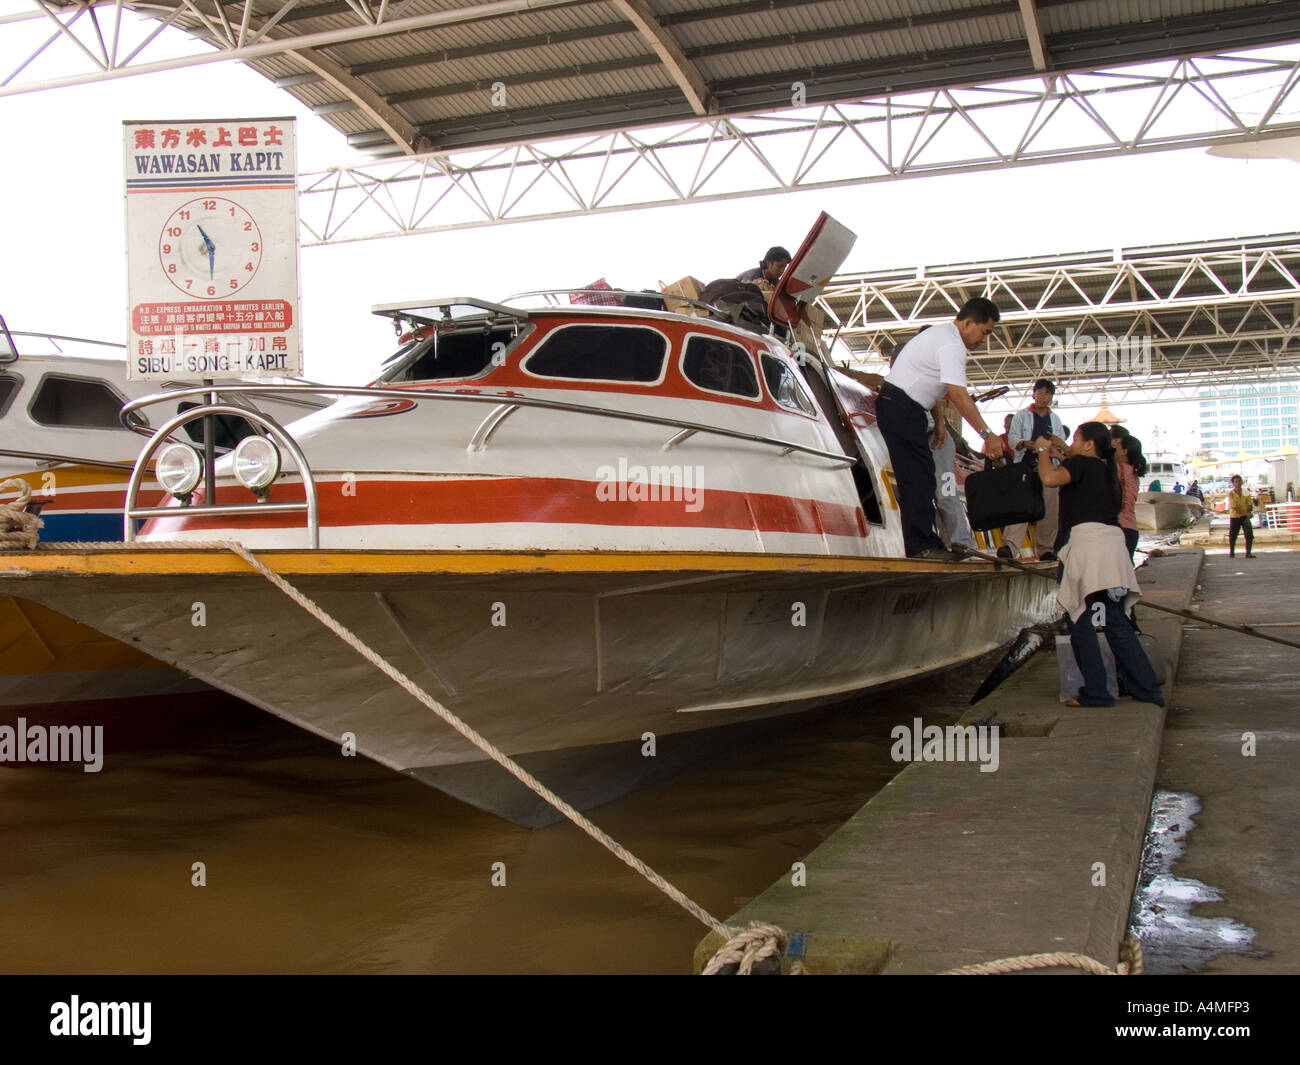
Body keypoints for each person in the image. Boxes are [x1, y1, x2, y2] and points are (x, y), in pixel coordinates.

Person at [1033, 422, 1163, 708]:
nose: (1073, 443)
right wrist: (1060, 450)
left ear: (1089, 444)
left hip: (1086, 547)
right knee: (1115, 620)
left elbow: (1050, 479)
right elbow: (1072, 467)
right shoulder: (1108, 470)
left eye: (1077, 438)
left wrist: (1042, 452)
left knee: (1080, 620)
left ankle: (1096, 692)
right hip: (1112, 547)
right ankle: (1147, 689)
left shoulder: (1081, 463)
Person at [875, 298, 1005, 559]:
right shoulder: (952, 345)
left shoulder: (942, 335)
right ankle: (920, 546)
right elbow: (958, 395)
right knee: (919, 479)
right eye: (985, 332)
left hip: (904, 407)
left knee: (920, 477)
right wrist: (986, 434)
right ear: (968, 323)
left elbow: (931, 384)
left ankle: (924, 542)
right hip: (901, 408)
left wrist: (940, 423)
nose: (984, 339)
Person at [1002, 379, 1065, 561]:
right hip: (1026, 465)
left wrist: (1053, 447)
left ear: (1051, 397)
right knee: (1020, 505)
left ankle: (1045, 549)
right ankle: (1010, 547)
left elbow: (1059, 441)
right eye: (1040, 392)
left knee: (1050, 508)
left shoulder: (1055, 419)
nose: (1042, 396)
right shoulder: (1022, 415)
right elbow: (1013, 437)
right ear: (1033, 394)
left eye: (1047, 393)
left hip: (1049, 467)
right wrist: (1023, 443)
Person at [930, 395, 976, 552]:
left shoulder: (920, 385)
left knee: (945, 493)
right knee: (929, 497)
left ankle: (963, 542)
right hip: (917, 441)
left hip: (936, 438)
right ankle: (946, 543)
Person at [1114, 432, 1147, 560]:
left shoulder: (1117, 469)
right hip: (1131, 527)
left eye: (1116, 447)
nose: (1112, 449)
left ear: (1124, 451)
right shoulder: (1133, 472)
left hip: (1119, 527)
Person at [1228, 474, 1255, 558]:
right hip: (1235, 516)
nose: (1238, 483)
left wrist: (1248, 511)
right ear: (1233, 483)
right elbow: (1234, 506)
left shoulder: (1246, 492)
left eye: (1239, 481)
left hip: (1245, 516)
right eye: (1236, 481)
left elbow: (1250, 504)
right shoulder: (1231, 493)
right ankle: (1232, 552)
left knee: (1249, 534)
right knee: (1233, 535)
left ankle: (1248, 553)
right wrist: (1245, 513)